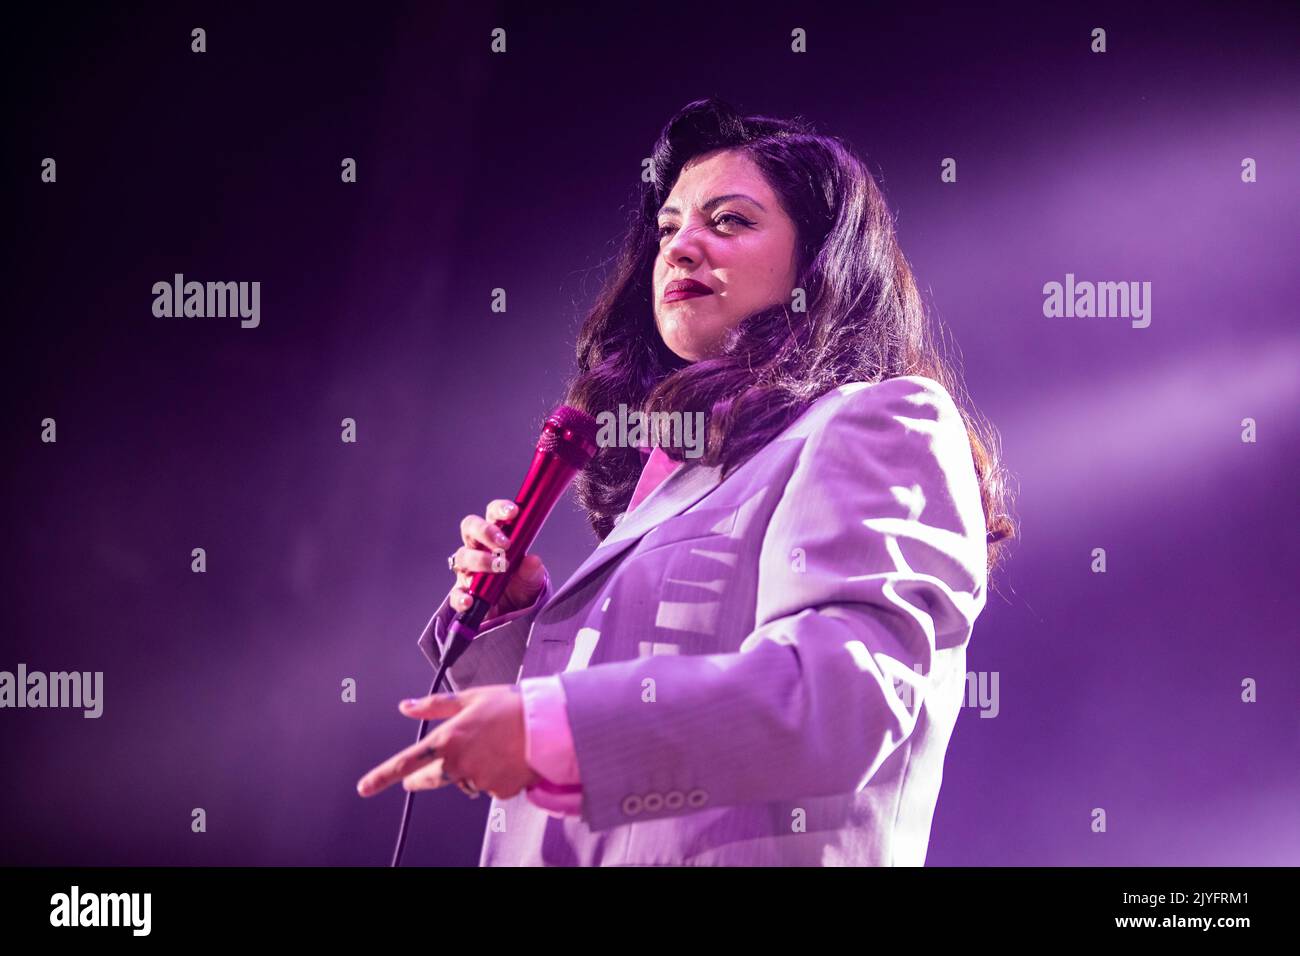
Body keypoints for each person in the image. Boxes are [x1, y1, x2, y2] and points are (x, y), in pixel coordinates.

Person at [357, 97, 1016, 866]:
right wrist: (515, 629)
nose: (680, 248)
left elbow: (838, 703)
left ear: (821, 260)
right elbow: (629, 731)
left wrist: (549, 726)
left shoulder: (881, 421)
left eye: (730, 221)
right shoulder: (682, 469)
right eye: (669, 228)